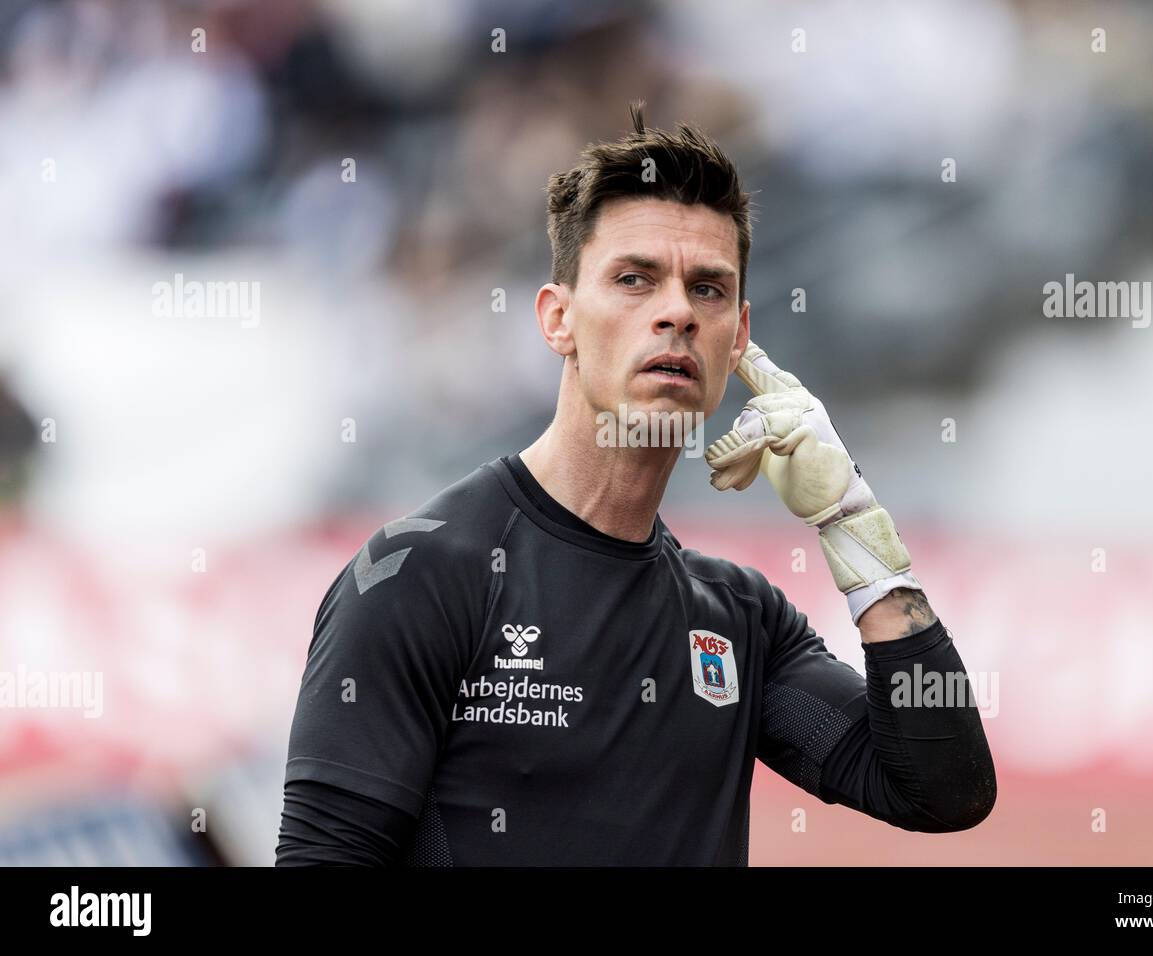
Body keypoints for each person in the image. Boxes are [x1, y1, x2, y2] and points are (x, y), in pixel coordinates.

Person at [275, 103, 996, 866]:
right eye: (634, 280)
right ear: (559, 320)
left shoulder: (742, 618)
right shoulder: (421, 574)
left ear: (739, 338)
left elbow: (943, 791)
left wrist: (854, 521)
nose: (677, 312)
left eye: (708, 290)